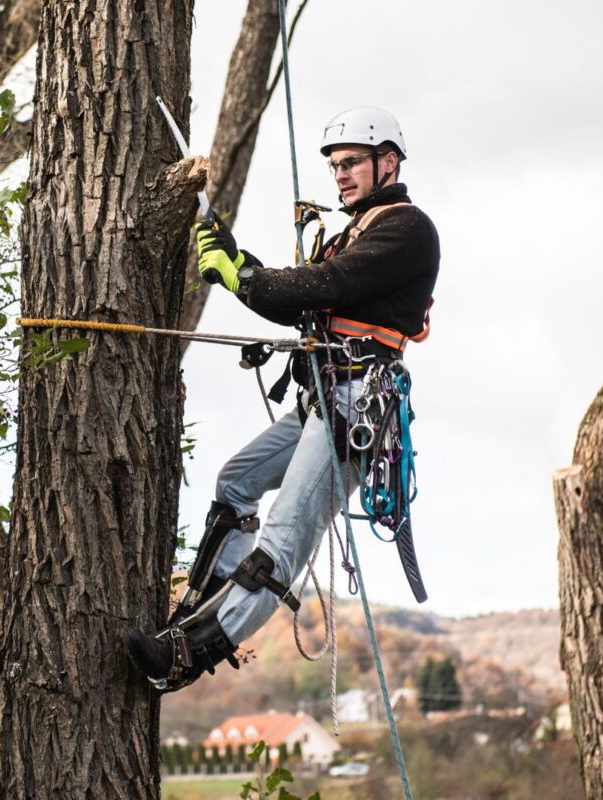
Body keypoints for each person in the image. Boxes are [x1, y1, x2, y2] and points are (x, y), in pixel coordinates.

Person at [123, 107, 440, 691]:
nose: (340, 175)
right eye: (335, 166)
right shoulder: (351, 232)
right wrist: (238, 262)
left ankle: (185, 655)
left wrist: (240, 276)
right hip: (324, 396)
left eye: (352, 163)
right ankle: (201, 607)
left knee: (284, 539)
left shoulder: (406, 229)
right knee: (236, 481)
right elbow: (299, 302)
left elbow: (323, 286)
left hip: (355, 407)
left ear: (389, 162)